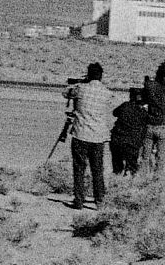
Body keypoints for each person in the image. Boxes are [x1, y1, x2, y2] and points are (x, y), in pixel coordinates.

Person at [62, 62, 113, 209]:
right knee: (97, 170)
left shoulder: (80, 89)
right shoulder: (106, 92)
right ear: (101, 76)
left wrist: (80, 83)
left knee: (79, 168)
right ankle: (100, 201)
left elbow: (66, 92)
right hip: (98, 137)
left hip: (80, 134)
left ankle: (78, 200)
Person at [109, 87, 149, 176]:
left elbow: (115, 113)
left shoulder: (125, 105)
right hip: (132, 142)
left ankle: (118, 178)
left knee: (117, 167)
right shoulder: (143, 111)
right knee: (131, 168)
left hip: (117, 140)